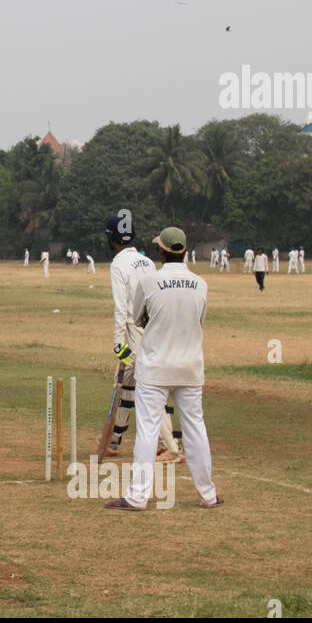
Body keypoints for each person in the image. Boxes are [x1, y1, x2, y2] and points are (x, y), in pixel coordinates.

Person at [107, 227, 220, 511]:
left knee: (148, 429)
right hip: (189, 367)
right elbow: (199, 320)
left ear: (161, 251)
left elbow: (137, 317)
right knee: (195, 429)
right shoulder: (201, 284)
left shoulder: (150, 282)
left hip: (155, 367)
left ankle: (137, 497)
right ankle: (207, 495)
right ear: (183, 250)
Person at [102, 217, 182, 462]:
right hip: (151, 330)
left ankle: (171, 446)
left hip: (131, 335)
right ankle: (113, 440)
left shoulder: (118, 264)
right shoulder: (147, 261)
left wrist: (118, 343)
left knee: (145, 391)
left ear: (111, 239)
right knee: (129, 384)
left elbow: (121, 308)